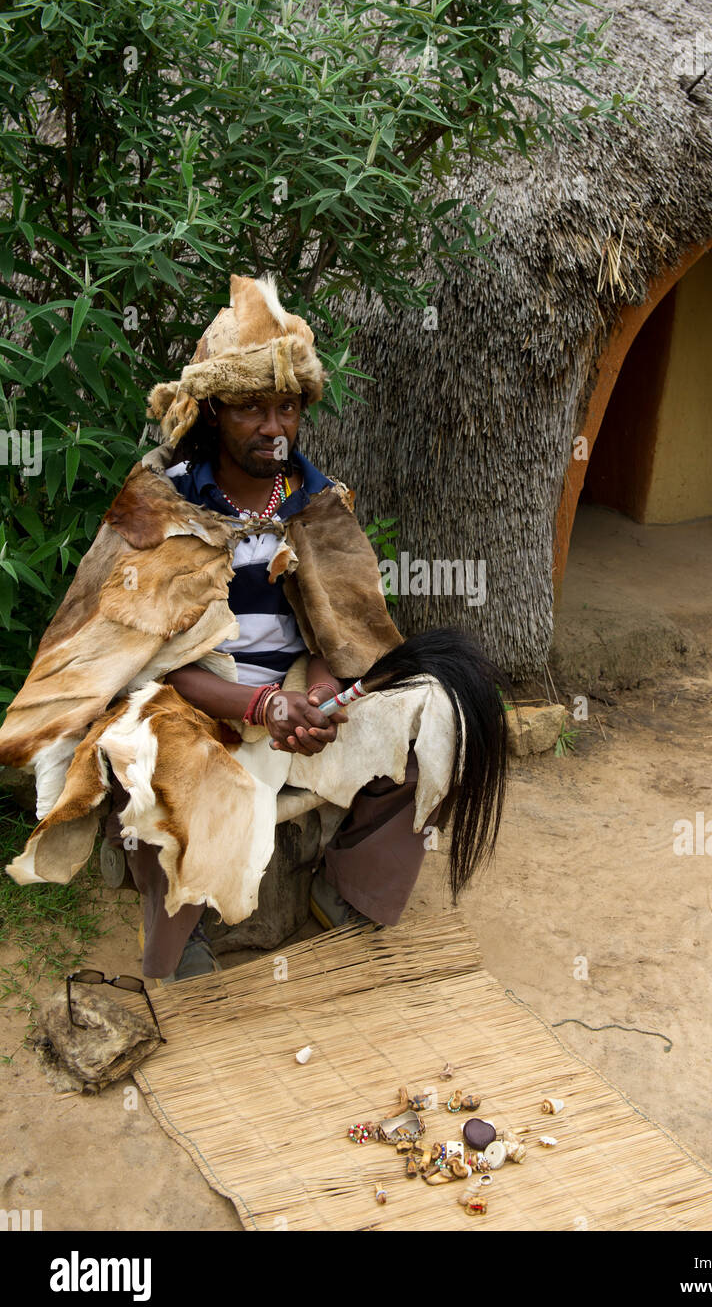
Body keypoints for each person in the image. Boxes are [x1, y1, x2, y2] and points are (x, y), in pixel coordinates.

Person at [0, 274, 464, 982]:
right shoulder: (162, 503)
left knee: (440, 716)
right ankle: (179, 944)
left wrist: (319, 698)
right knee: (166, 763)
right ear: (214, 410)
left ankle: (346, 895)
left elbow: (343, 631)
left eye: (286, 407)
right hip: (189, 700)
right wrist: (259, 706)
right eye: (250, 408)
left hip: (298, 693)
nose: (273, 427)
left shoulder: (316, 501)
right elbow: (139, 655)